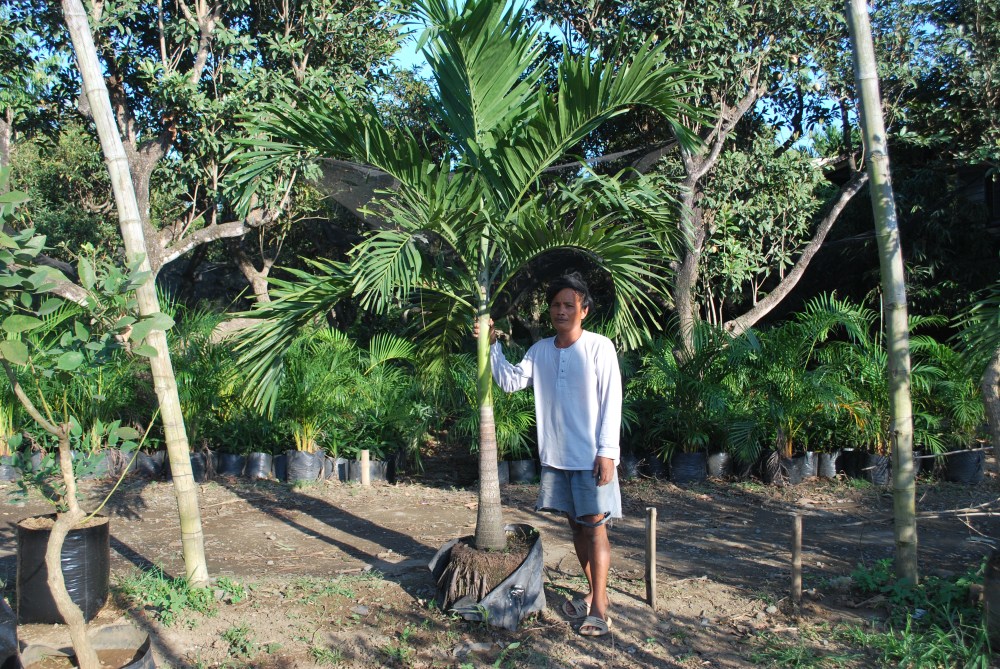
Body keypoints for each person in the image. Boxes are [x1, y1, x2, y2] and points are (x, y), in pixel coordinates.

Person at [475, 272, 622, 637]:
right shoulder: (540, 350)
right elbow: (509, 381)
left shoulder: (599, 347)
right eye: (556, 304)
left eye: (568, 305)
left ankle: (601, 608)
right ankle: (594, 593)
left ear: (583, 310)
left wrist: (607, 452)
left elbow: (611, 401)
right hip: (556, 458)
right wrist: (491, 345)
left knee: (596, 529)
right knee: (576, 528)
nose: (561, 310)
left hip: (590, 458)